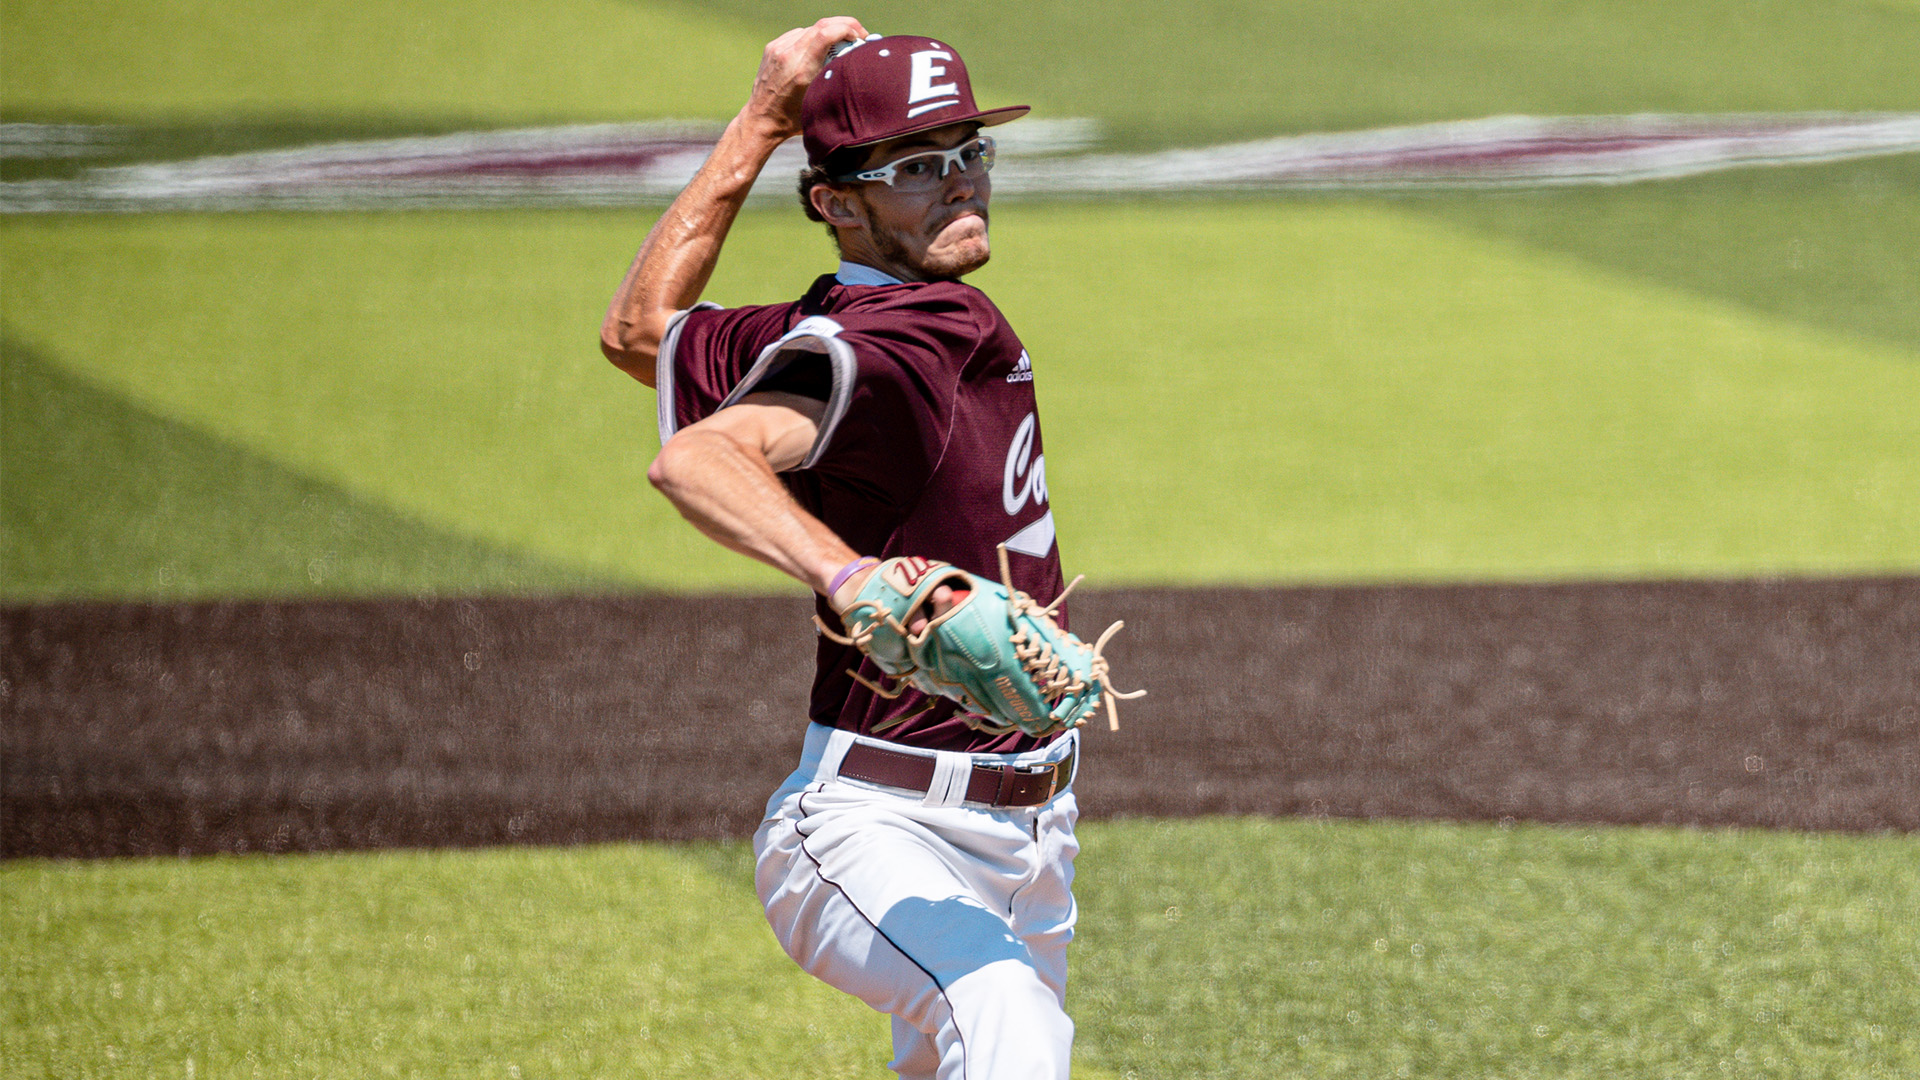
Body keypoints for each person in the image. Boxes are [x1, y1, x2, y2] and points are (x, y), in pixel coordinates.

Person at [602, 19, 1085, 1078]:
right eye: (917, 167)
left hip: (1034, 838)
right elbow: (698, 461)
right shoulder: (871, 347)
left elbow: (642, 332)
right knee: (1006, 1025)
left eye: (969, 152)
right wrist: (851, 576)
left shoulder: (827, 324)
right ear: (835, 202)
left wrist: (764, 116)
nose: (960, 185)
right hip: (875, 826)